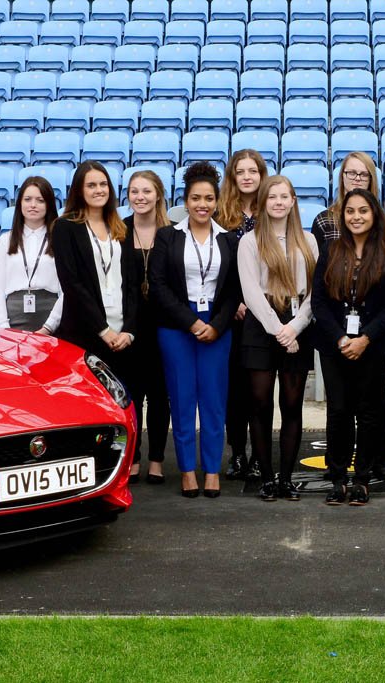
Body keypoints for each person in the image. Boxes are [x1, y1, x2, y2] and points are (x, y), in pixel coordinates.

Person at [150, 162, 241, 499]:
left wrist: (216, 325)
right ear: (185, 201)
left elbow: (234, 290)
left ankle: (212, 470)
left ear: (217, 201)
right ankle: (188, 470)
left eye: (208, 199)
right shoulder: (167, 236)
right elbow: (158, 286)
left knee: (214, 401)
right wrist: (190, 321)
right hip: (177, 327)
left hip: (217, 327)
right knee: (183, 399)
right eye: (195, 198)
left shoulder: (228, 239)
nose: (202, 205)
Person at [310, 151, 385, 481]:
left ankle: (363, 476)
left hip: (372, 340)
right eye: (351, 211)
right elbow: (319, 300)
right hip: (335, 340)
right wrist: (341, 337)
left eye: (363, 211)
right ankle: (337, 475)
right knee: (339, 409)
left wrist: (365, 338)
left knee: (370, 408)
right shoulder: (330, 247)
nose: (357, 216)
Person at [238, 176, 319, 501]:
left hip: (298, 322)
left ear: (294, 200)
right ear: (263, 202)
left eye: (285, 196)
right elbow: (251, 292)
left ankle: (286, 478)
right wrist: (278, 330)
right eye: (272, 197)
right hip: (262, 325)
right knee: (259, 405)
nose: (279, 202)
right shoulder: (250, 241)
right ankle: (267, 479)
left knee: (292, 405)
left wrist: (295, 327)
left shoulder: (309, 241)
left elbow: (316, 292)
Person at [52, 163, 138, 436]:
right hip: (85, 333)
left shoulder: (120, 227)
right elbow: (72, 284)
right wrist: (103, 330)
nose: (99, 190)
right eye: (91, 185)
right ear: (79, 190)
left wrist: (129, 331)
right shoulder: (65, 227)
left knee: (121, 405)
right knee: (87, 406)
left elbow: (133, 284)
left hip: (122, 336)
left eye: (103, 184)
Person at [216, 149, 269, 481]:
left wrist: (261, 303)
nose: (247, 176)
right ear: (232, 177)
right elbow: (216, 268)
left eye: (253, 171)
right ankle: (237, 452)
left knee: (260, 389)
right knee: (234, 389)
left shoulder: (271, 212)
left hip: (265, 312)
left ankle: (263, 454)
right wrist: (235, 301)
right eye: (241, 171)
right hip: (232, 314)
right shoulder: (222, 216)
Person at [122, 170, 172, 485]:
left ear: (158, 195)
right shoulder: (117, 231)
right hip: (128, 323)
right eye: (134, 191)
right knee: (131, 395)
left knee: (159, 395)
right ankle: (133, 458)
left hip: (163, 323)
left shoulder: (171, 232)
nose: (140, 197)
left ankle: (156, 459)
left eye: (147, 191)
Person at [0, 176, 62, 334]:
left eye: (40, 200)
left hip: (50, 316)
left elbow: (66, 290)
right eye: (27, 199)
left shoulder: (60, 239)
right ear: (20, 203)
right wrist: (3, 327)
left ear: (49, 204)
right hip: (12, 318)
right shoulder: (5, 240)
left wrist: (49, 327)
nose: (33, 205)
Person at [310, 152, 381, 250]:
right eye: (352, 173)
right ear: (342, 176)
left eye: (364, 174)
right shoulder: (324, 221)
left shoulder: (383, 222)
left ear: (371, 179)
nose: (357, 178)